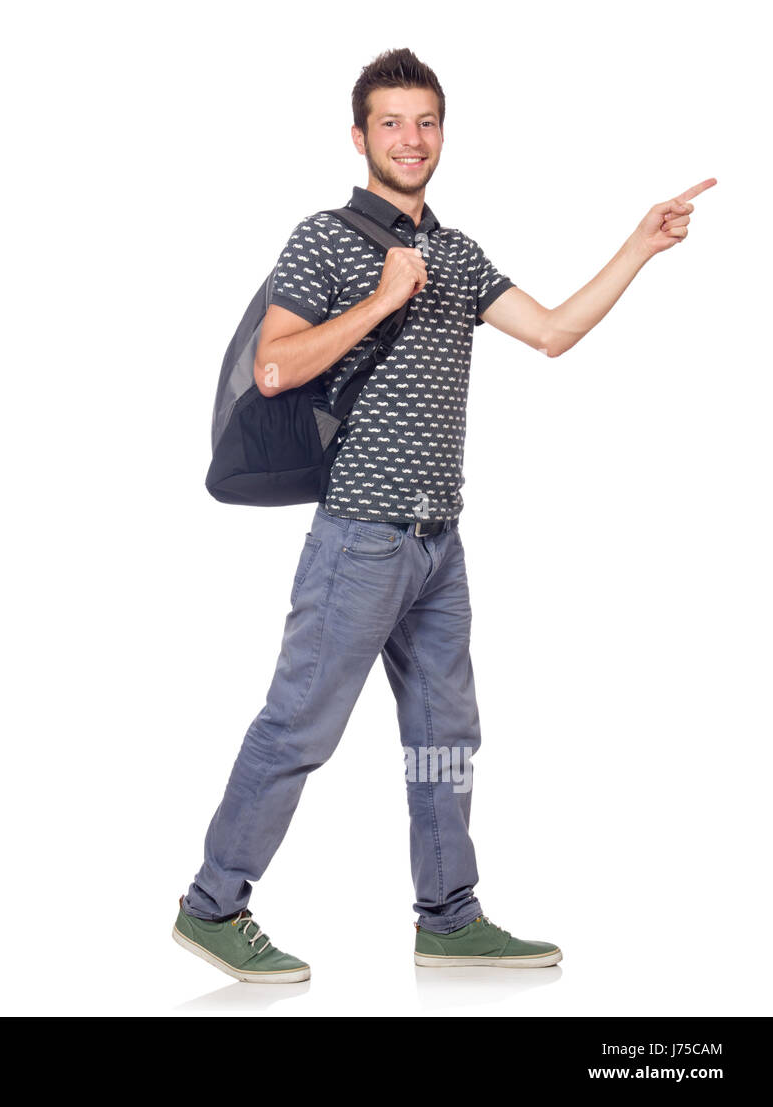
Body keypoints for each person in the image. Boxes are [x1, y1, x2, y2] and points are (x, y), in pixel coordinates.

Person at [173, 47, 714, 983]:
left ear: (442, 134)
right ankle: (212, 904)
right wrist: (382, 298)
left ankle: (449, 915)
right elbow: (274, 367)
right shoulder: (326, 239)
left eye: (424, 121)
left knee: (444, 737)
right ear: (360, 136)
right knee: (299, 726)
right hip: (359, 538)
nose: (410, 138)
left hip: (437, 545)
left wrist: (639, 245)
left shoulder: (458, 254)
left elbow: (550, 332)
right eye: (391, 122)